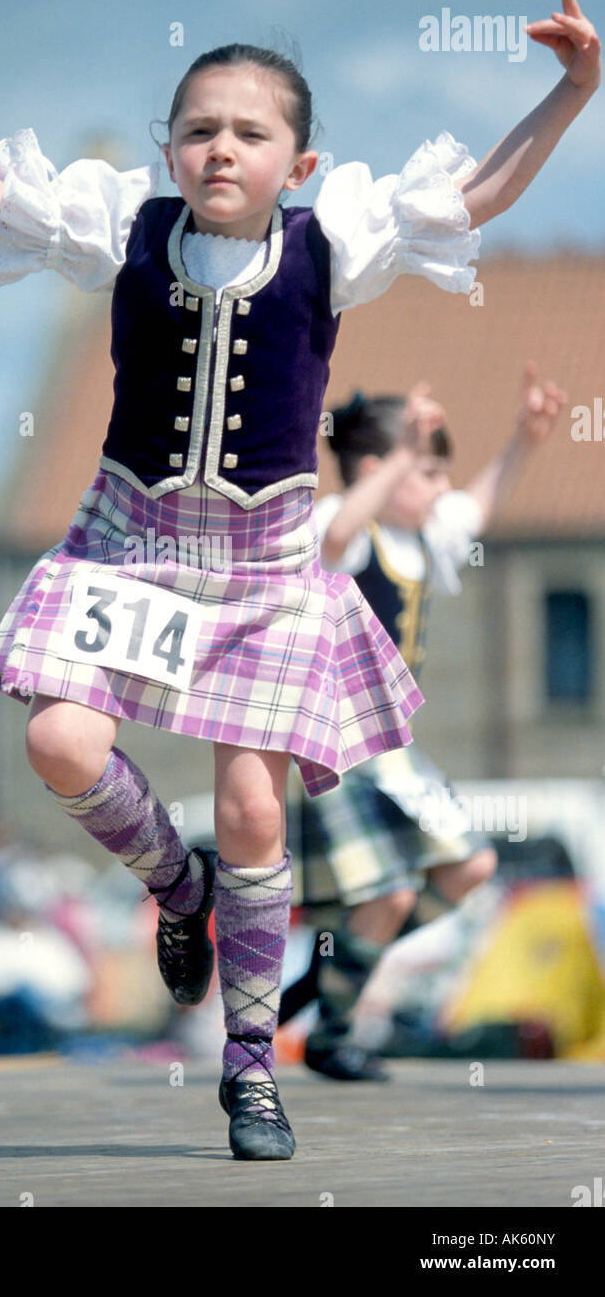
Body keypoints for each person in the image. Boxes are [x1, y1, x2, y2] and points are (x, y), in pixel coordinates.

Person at [0, 0, 598, 1159]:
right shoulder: (119, 224)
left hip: (265, 558)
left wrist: (573, 90)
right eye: (198, 128)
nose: (220, 147)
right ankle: (177, 886)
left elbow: (472, 194)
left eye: (249, 131)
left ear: (302, 161)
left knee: (251, 801)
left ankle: (248, 1069)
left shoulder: (333, 240)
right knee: (58, 741)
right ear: (167, 148)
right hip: (131, 538)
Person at [280, 369, 568, 1081]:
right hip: (338, 738)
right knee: (392, 894)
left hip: (394, 743)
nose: (441, 487)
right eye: (425, 471)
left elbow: (473, 509)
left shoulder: (421, 538)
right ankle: (335, 1030)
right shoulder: (342, 530)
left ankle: (339, 974)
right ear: (380, 469)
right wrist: (405, 454)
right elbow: (341, 527)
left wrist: (522, 442)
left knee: (471, 864)